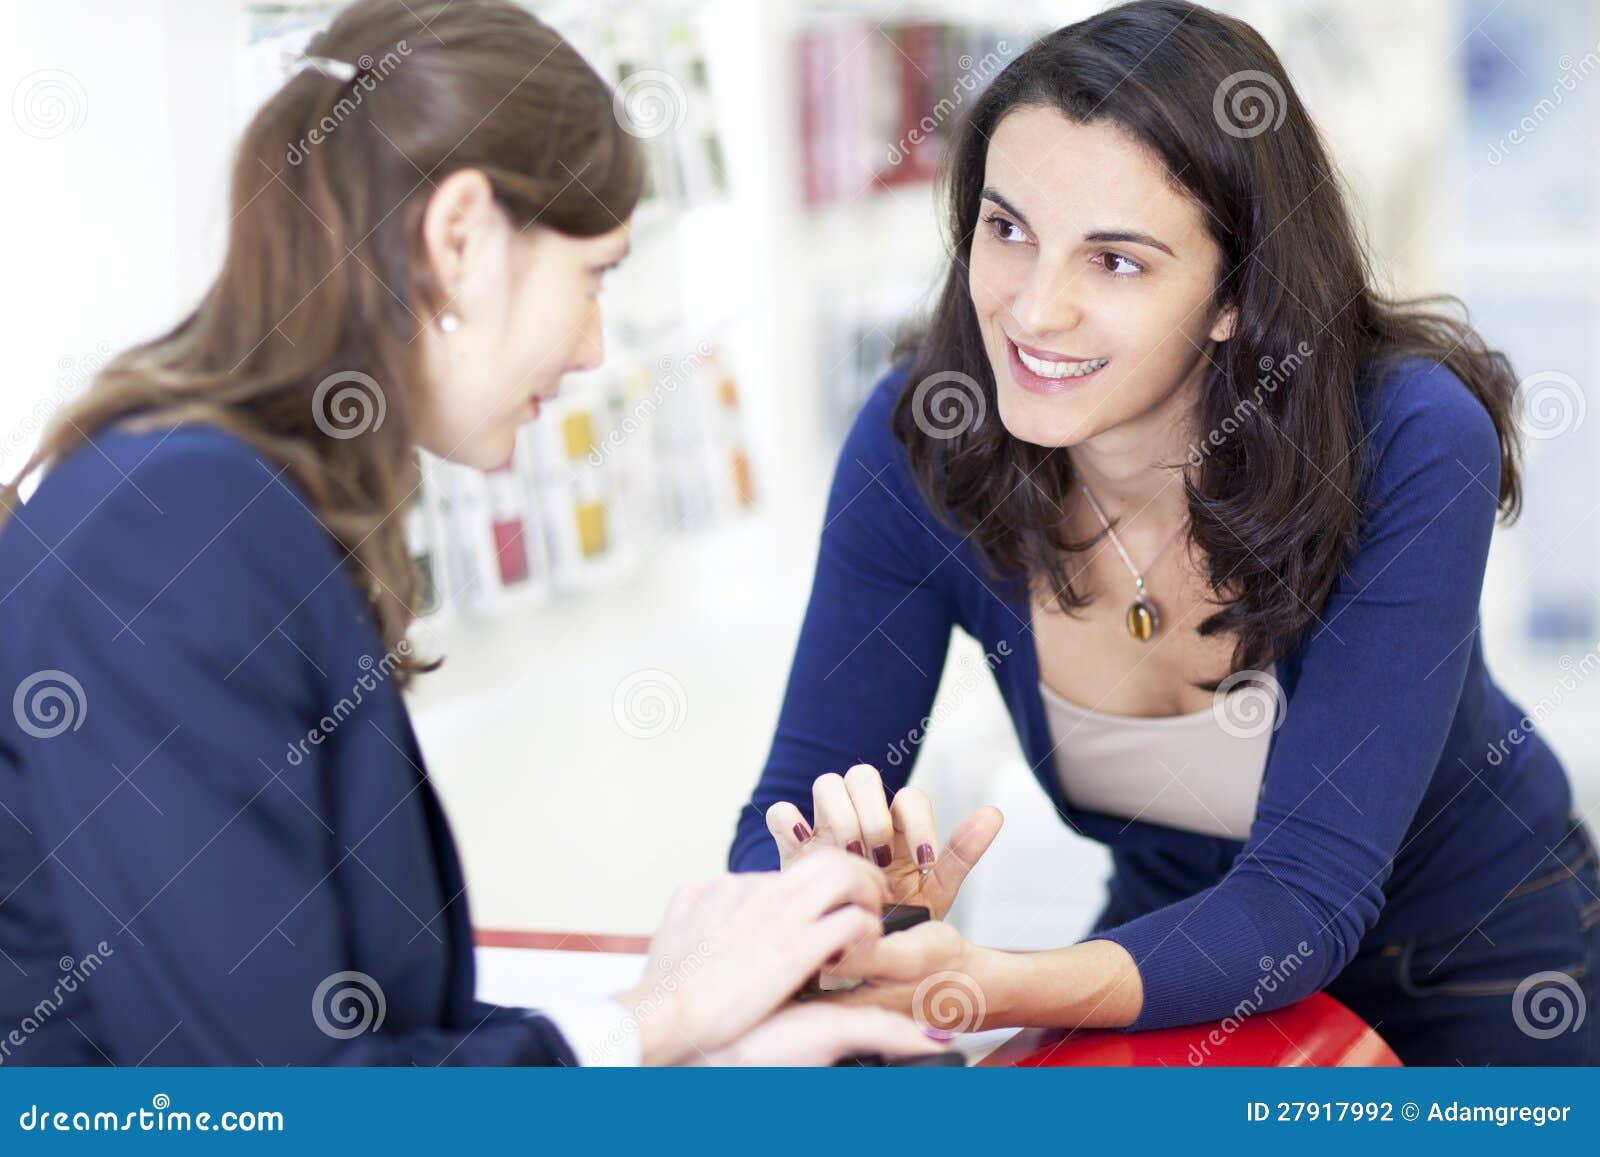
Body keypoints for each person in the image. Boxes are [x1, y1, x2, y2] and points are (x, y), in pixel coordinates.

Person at [0, 0, 945, 1067]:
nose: (592, 350)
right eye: (591, 278)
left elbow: (359, 1037)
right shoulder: (171, 529)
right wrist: (670, 1018)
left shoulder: (225, 502)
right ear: (457, 234)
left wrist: (680, 1017)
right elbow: (279, 1099)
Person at [730, 0, 1600, 1066]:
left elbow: (1300, 899)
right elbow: (787, 807)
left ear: (1236, 292)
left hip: (1469, 973)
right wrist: (845, 910)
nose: (1033, 311)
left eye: (1116, 261)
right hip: (1171, 973)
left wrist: (991, 976)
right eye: (1007, 231)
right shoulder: (926, 441)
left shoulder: (1404, 435)